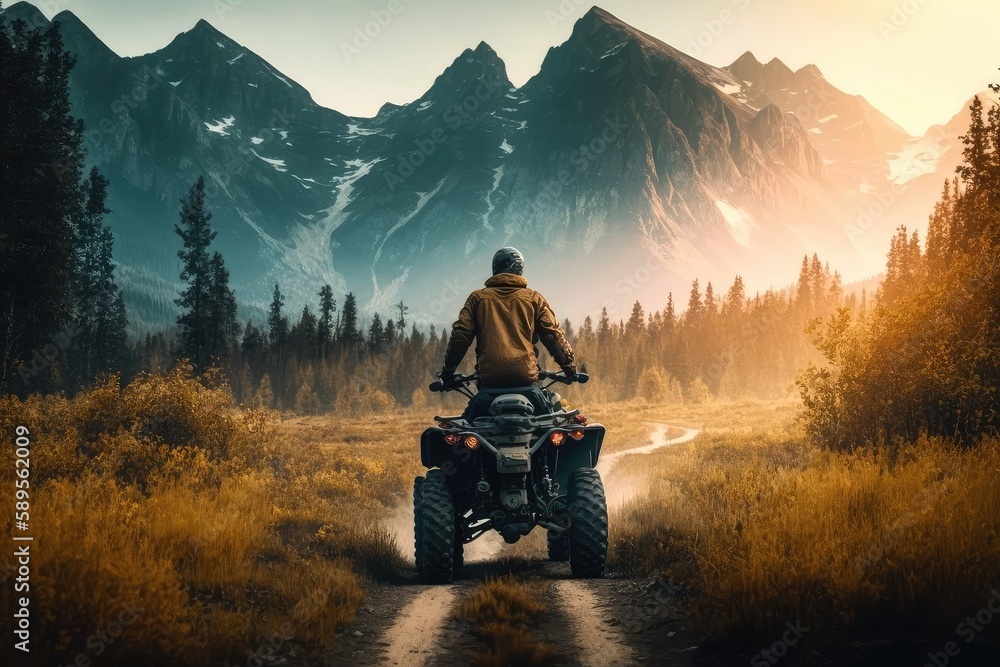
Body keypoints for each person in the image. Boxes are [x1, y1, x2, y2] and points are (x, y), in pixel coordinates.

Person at [439, 247, 576, 418]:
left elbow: (461, 335)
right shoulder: (534, 298)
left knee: (467, 428)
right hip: (527, 380)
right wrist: (570, 369)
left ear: (495, 268)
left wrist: (448, 373)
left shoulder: (477, 298)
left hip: (489, 385)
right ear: (520, 269)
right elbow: (553, 335)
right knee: (553, 423)